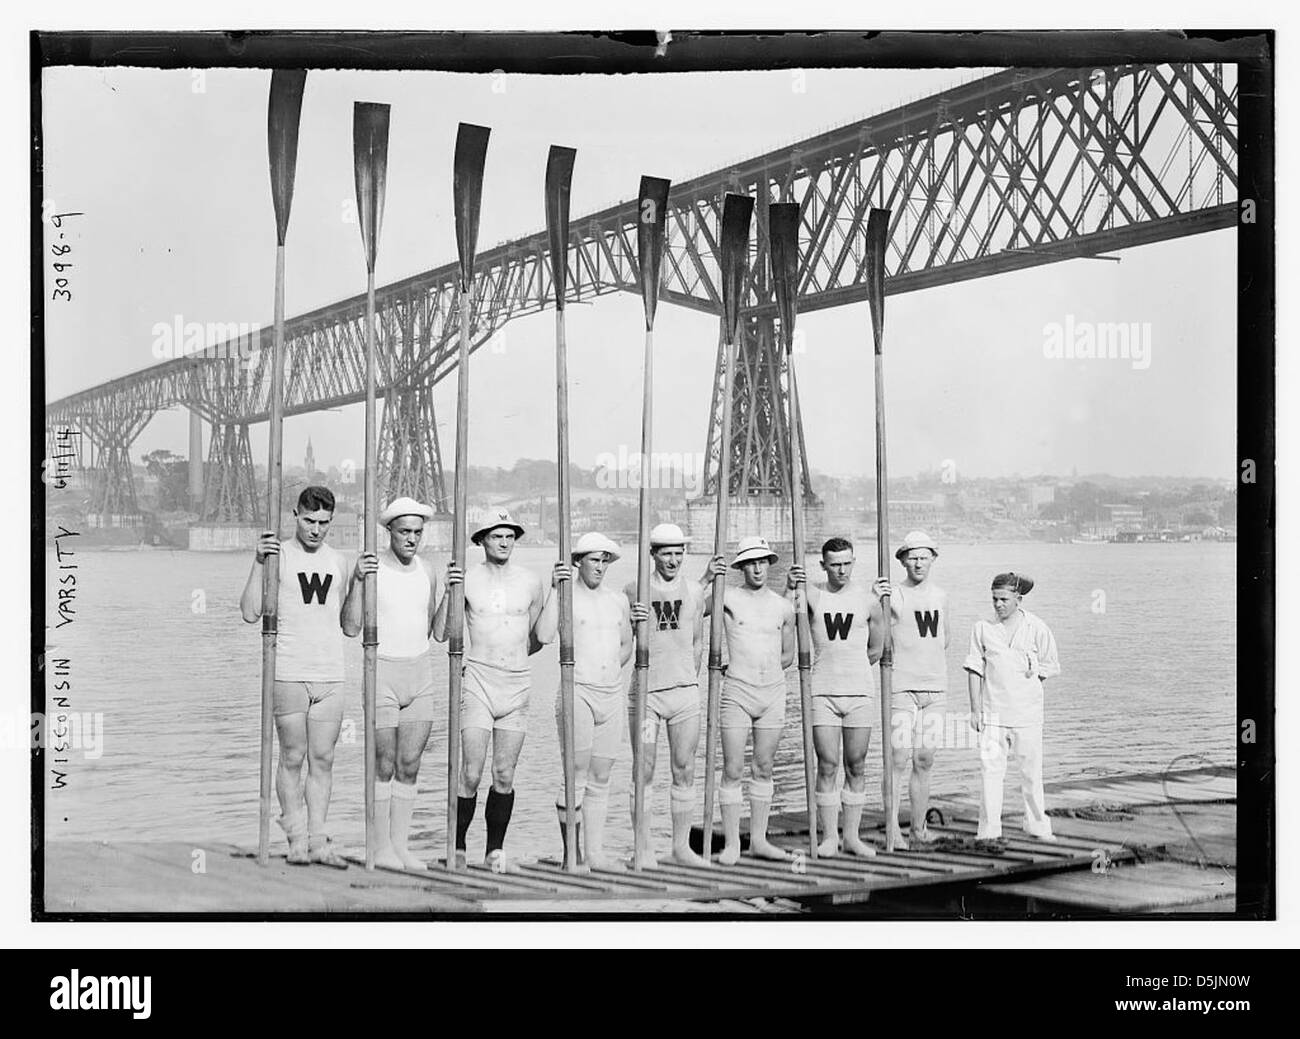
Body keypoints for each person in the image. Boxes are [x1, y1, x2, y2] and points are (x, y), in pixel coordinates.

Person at [240, 485, 358, 866]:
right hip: (289, 672)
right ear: (295, 515)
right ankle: (294, 836)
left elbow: (351, 626)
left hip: (330, 674)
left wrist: (359, 583)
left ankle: (319, 840)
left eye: (324, 522)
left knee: (323, 759)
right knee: (293, 756)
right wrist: (258, 562)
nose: (315, 529)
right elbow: (249, 612)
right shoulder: (278, 555)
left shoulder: (339, 562)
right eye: (309, 520)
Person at [433, 509, 550, 870]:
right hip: (479, 681)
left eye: (509, 536)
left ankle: (495, 851)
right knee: (470, 771)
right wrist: (451, 591)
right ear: (481, 539)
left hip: (516, 683)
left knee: (504, 774)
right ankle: (458, 847)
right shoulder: (466, 578)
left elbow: (536, 640)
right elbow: (441, 633)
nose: (504, 542)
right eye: (496, 536)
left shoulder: (531, 582)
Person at [346, 497, 440, 871]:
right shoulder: (372, 569)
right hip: (382, 671)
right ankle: (379, 846)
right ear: (389, 532)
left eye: (418, 532)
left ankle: (400, 847)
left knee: (410, 763)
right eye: (404, 532)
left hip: (420, 672)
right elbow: (352, 626)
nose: (412, 539)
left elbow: (435, 630)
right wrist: (356, 582)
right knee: (382, 763)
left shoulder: (428, 571)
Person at [537, 532, 632, 870]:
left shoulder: (617, 600)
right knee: (574, 774)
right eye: (594, 559)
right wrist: (552, 590)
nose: (601, 566)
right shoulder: (566, 596)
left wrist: (606, 669)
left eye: (605, 560)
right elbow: (545, 635)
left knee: (602, 775)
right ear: (578, 561)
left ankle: (595, 853)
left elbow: (626, 646)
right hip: (577, 691)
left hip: (611, 692)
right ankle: (570, 855)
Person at [786, 537, 884, 857]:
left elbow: (876, 649)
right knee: (827, 765)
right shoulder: (812, 594)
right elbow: (786, 615)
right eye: (835, 564)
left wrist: (850, 670)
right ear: (823, 565)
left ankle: (852, 837)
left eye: (847, 563)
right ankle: (830, 836)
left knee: (856, 764)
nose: (841, 570)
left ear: (853, 562)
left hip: (858, 692)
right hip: (823, 693)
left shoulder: (869, 601)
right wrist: (790, 586)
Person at [703, 535, 796, 865]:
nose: (757, 568)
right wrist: (707, 577)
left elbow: (788, 655)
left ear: (769, 564)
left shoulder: (783, 606)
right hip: (737, 692)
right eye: (750, 563)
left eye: (762, 562)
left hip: (772, 690)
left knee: (764, 766)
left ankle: (758, 839)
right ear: (741, 567)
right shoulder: (726, 597)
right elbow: (693, 609)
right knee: (732, 768)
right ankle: (731, 844)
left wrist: (765, 668)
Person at [623, 523, 710, 868]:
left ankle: (680, 847)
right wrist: (631, 620)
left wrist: (692, 676)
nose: (673, 560)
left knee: (684, 768)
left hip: (684, 694)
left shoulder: (694, 591)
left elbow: (698, 640)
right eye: (666, 553)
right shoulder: (635, 590)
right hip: (647, 696)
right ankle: (642, 847)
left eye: (679, 553)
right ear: (653, 555)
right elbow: (623, 638)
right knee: (643, 768)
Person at [964, 571, 1060, 841]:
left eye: (1004, 599)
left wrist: (1026, 687)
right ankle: (989, 830)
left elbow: (1049, 665)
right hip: (993, 714)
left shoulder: (1037, 627)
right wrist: (975, 710)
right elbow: (974, 669)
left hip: (1027, 715)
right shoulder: (982, 627)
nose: (998, 604)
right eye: (994, 599)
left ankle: (1037, 825)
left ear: (1019, 599)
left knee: (1031, 774)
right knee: (990, 774)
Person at [878, 530, 950, 849]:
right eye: (912, 557)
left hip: (935, 689)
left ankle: (918, 828)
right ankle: (893, 827)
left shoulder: (941, 596)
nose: (918, 563)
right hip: (902, 689)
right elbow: (876, 626)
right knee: (897, 758)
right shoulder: (893, 595)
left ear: (933, 559)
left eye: (924, 557)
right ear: (903, 561)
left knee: (924, 759)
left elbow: (945, 638)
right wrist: (876, 597)